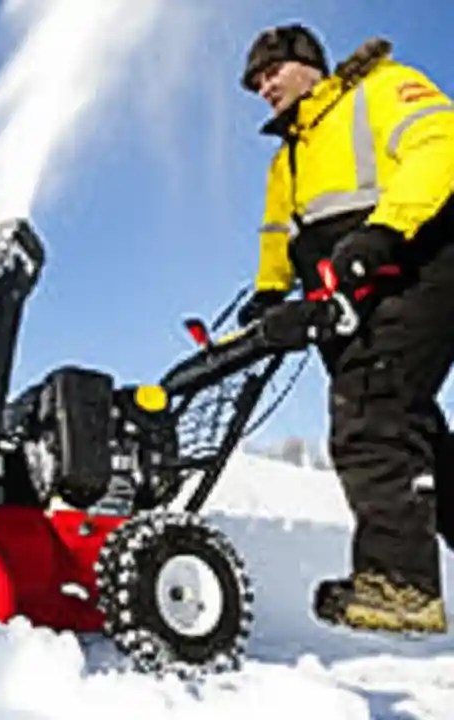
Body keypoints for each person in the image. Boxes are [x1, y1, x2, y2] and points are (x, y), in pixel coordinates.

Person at [235, 24, 454, 634]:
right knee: (409, 423)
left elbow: (442, 145)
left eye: (271, 71)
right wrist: (269, 292)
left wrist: (383, 231)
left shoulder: (380, 89)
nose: (263, 87)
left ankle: (401, 586)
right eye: (255, 81)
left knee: (371, 408)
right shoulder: (289, 157)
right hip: (348, 293)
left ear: (308, 64)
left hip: (419, 264)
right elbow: (280, 234)